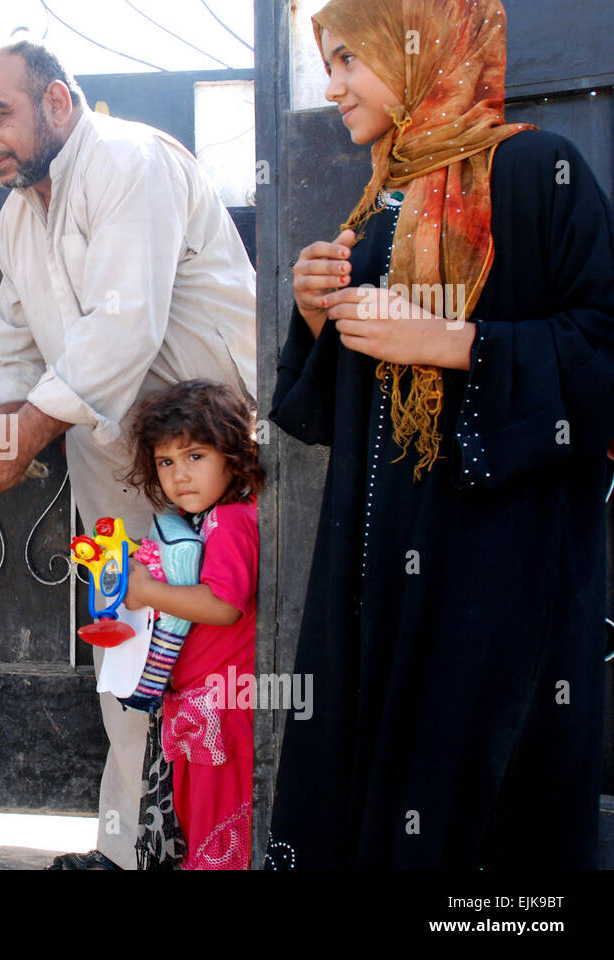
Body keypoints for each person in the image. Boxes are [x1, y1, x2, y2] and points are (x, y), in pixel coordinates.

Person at [265, 0, 614, 868]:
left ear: (415, 47)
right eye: (329, 62)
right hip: (377, 568)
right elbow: (332, 412)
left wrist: (456, 343)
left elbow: (604, 351)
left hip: (500, 572)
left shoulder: (538, 171)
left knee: (483, 805)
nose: (334, 85)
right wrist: (314, 318)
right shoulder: (382, 200)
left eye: (350, 59)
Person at [0, 41, 257, 869]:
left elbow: (123, 330)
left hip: (206, 456)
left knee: (212, 649)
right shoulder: (18, 215)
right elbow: (19, 353)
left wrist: (26, 438)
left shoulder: (127, 160)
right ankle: (130, 849)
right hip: (110, 458)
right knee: (127, 642)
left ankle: (223, 848)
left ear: (57, 104)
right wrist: (3, 436)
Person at [122, 380, 261, 869]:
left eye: (195, 456)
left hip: (223, 706)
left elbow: (224, 605)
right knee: (195, 819)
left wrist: (146, 591)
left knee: (220, 827)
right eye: (166, 462)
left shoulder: (233, 519)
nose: (179, 475)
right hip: (198, 706)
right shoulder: (195, 522)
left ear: (233, 454)